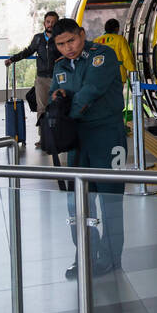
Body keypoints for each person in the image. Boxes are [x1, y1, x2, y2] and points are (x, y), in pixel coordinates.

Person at [50, 17, 125, 279]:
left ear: (82, 34)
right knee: (78, 202)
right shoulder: (61, 67)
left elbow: (90, 91)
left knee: (110, 199)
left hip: (107, 135)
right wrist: (56, 103)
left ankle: (111, 257)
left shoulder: (102, 55)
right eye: (61, 44)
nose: (68, 48)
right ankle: (85, 254)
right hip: (78, 140)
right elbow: (55, 94)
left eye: (71, 40)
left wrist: (66, 111)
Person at [6, 11, 59, 148]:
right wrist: (12, 59)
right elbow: (27, 51)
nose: (50, 25)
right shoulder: (38, 39)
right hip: (41, 79)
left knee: (58, 107)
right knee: (42, 109)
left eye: (53, 22)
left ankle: (59, 137)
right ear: (44, 23)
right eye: (48, 22)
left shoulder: (60, 38)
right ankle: (43, 139)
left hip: (57, 78)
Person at [94, 18, 136, 124]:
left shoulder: (97, 40)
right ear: (117, 29)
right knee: (115, 100)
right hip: (116, 75)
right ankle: (114, 123)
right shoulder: (120, 39)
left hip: (100, 75)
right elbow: (126, 58)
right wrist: (133, 71)